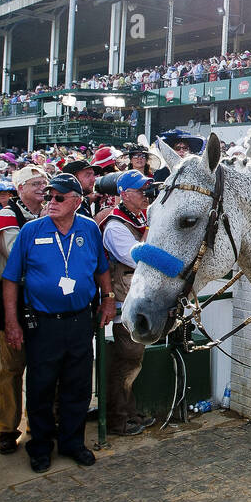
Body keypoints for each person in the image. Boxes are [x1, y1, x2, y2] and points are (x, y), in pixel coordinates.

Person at [1, 173, 114, 472]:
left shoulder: (89, 229)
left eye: (59, 197)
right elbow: (11, 279)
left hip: (79, 321)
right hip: (43, 323)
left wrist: (109, 298)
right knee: (40, 386)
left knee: (77, 386)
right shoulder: (30, 231)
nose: (51, 201)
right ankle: (40, 446)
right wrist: (11, 322)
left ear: (76, 202)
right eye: (50, 196)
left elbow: (101, 268)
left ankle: (73, 443)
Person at [0, 166, 46, 454]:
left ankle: (37, 423)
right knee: (11, 367)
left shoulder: (46, 211)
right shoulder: (8, 214)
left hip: (41, 301)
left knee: (41, 365)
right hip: (13, 301)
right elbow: (17, 255)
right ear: (19, 189)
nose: (41, 188)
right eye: (34, 184)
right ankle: (7, 428)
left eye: (43, 183)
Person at [99, 170, 156, 436]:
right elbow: (138, 258)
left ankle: (128, 413)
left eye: (147, 190)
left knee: (133, 362)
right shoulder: (115, 225)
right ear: (124, 194)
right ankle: (117, 419)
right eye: (141, 191)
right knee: (127, 363)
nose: (147, 195)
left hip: (136, 299)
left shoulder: (139, 217)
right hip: (124, 304)